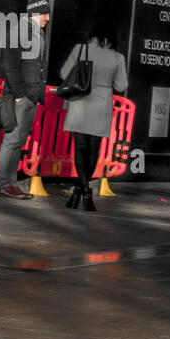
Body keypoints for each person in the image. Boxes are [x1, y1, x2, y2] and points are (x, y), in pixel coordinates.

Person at [59, 23, 127, 211]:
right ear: (110, 40)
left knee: (80, 148)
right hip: (101, 103)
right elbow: (121, 85)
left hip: (80, 101)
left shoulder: (80, 50)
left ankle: (81, 190)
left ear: (93, 36)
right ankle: (84, 190)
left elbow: (64, 73)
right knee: (93, 149)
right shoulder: (117, 57)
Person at [0, 0, 50, 200]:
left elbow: (39, 66)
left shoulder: (38, 33)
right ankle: (4, 185)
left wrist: (38, 93)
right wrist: (19, 93)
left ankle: (11, 184)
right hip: (22, 95)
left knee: (18, 141)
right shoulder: (20, 31)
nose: (48, 18)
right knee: (12, 140)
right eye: (45, 14)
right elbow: (10, 64)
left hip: (31, 95)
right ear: (36, 13)